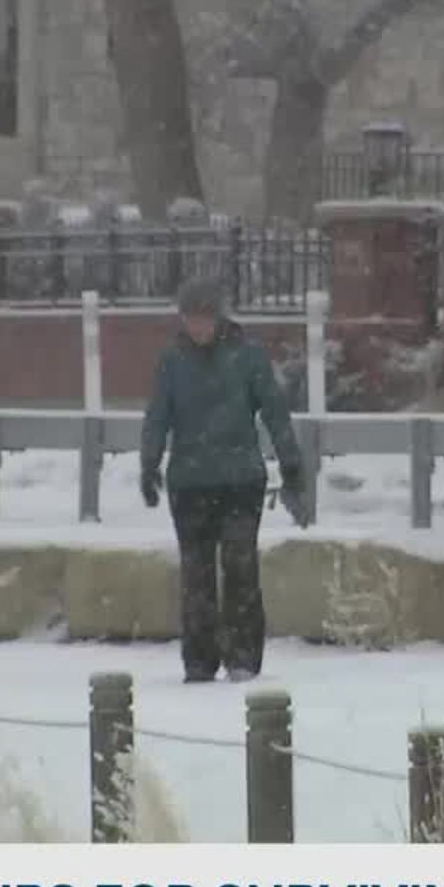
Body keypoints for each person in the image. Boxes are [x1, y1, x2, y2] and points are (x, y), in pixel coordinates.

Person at [141, 275, 306, 683]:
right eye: (190, 319)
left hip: (239, 481)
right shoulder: (172, 361)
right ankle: (199, 661)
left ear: (219, 317)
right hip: (190, 483)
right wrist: (149, 464)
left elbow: (274, 412)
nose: (198, 327)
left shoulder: (247, 357)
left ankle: (244, 659)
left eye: (205, 318)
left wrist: (291, 465)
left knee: (240, 569)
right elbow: (158, 415)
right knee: (196, 577)